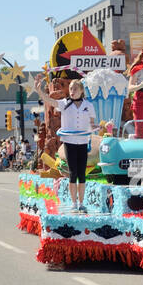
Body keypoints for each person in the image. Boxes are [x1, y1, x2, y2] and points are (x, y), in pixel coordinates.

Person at [32, 75, 97, 213]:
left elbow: (92, 124)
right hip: (69, 141)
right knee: (73, 173)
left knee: (82, 174)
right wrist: (39, 91)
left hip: (83, 141)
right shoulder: (64, 103)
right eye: (71, 88)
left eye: (75, 89)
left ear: (81, 91)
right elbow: (49, 100)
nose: (72, 91)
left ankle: (81, 203)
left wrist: (102, 127)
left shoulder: (88, 105)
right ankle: (74, 203)